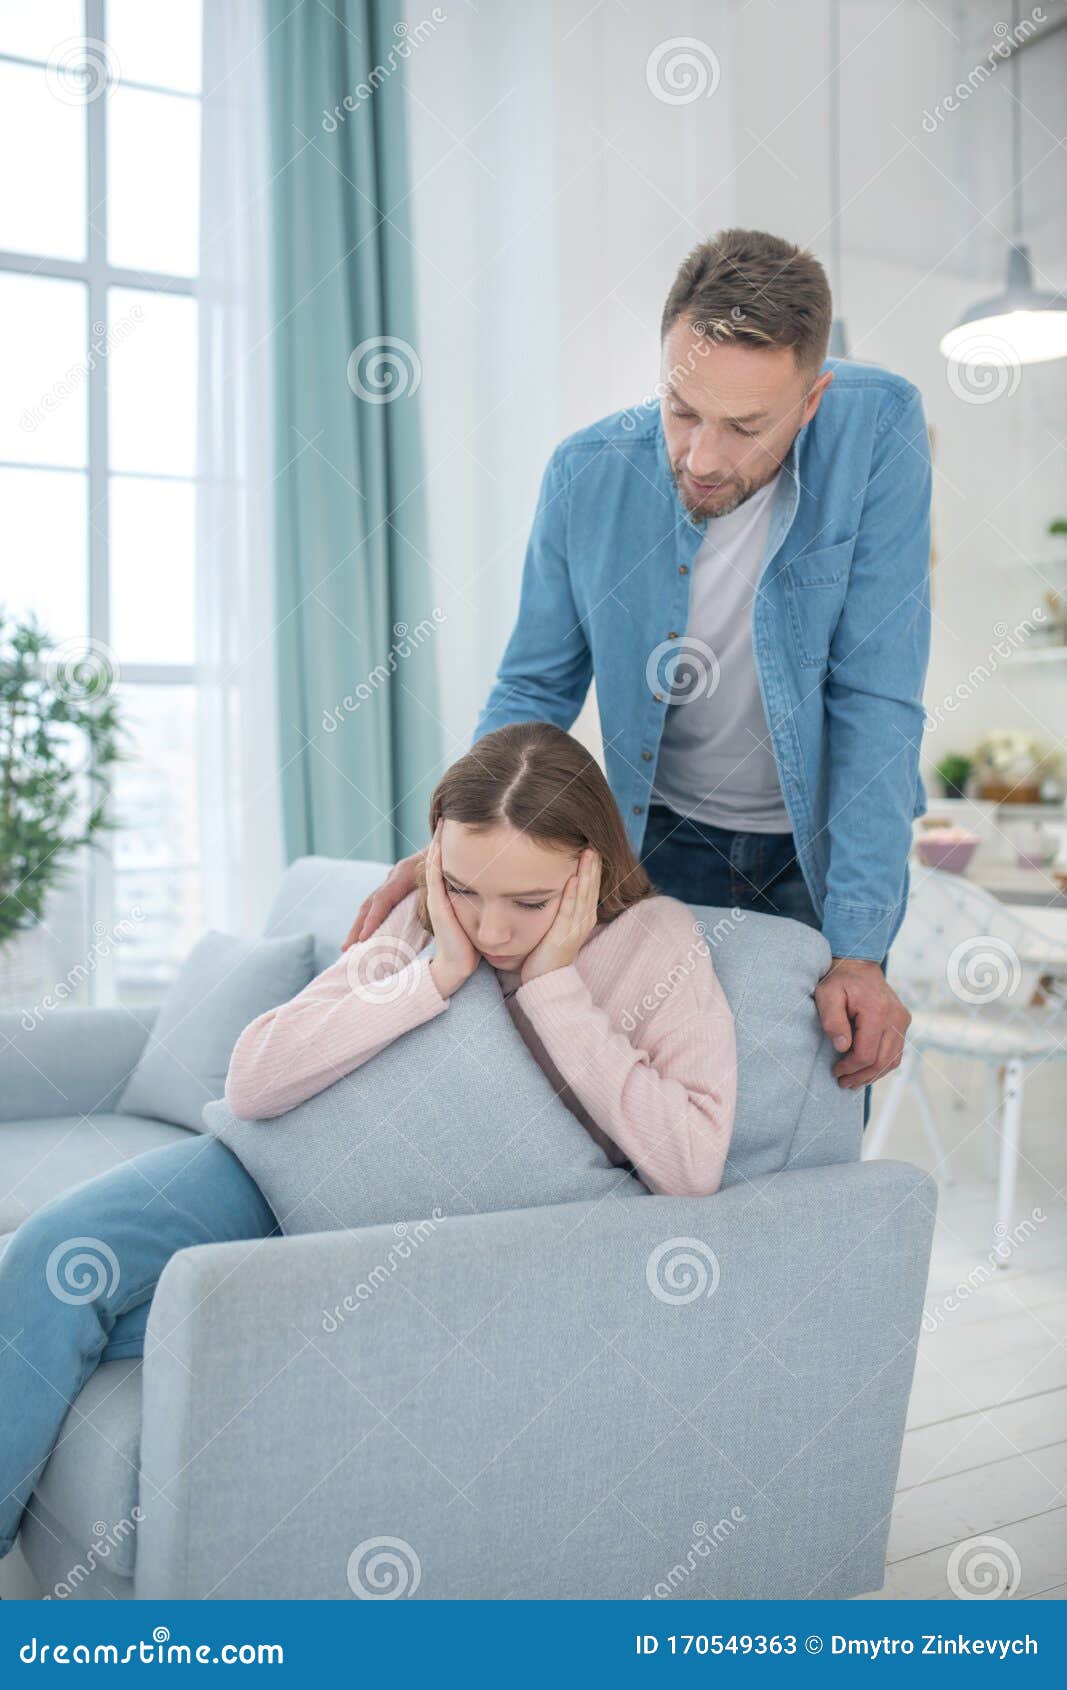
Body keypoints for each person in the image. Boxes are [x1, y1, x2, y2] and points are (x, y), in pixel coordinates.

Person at [0, 722, 735, 1560]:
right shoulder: (426, 921)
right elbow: (255, 1081)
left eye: (528, 903)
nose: (490, 929)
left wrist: (554, 988)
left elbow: (690, 1162)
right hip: (261, 1168)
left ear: (590, 868)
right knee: (49, 1257)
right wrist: (433, 974)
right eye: (463, 888)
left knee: (168, 1312)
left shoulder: (656, 943)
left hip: (387, 1238)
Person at [345, 229, 933, 1111]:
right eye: (681, 409)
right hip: (655, 839)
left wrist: (858, 947)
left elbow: (875, 697)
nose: (702, 458)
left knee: (800, 1111)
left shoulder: (876, 430)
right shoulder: (584, 474)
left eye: (745, 427)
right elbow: (533, 687)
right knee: (643, 1105)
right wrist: (456, 843)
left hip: (819, 851)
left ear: (811, 400)